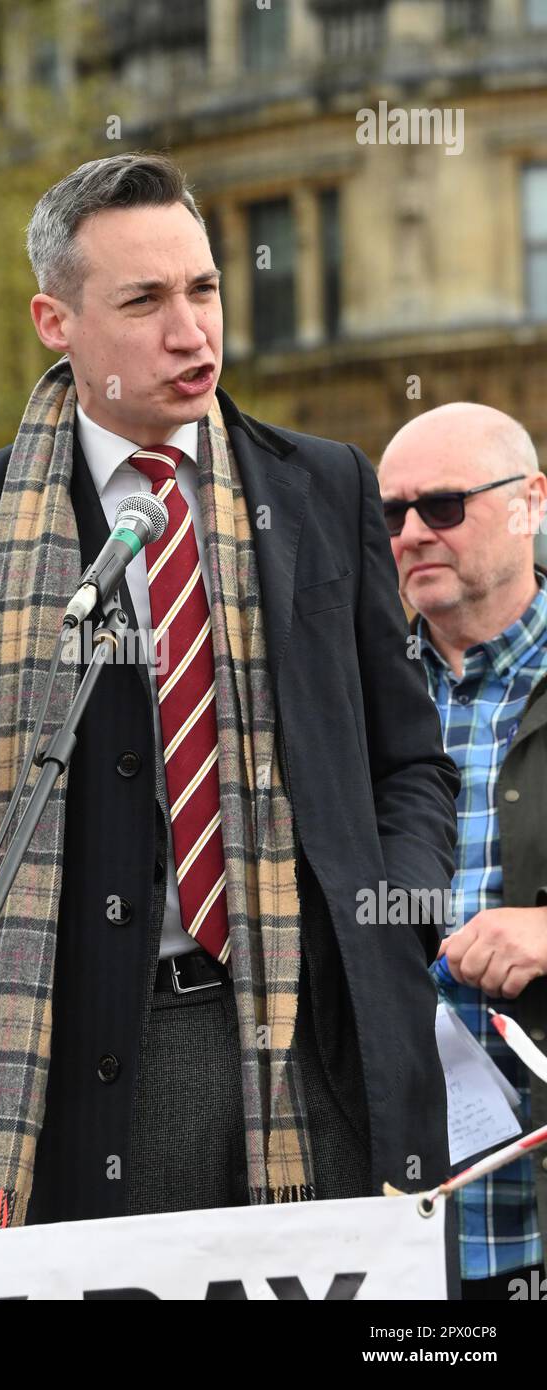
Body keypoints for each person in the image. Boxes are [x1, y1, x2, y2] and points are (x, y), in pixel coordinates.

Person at [0, 152, 460, 1234]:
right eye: (145, 301)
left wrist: (393, 924)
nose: (192, 332)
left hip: (328, 1038)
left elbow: (407, 757)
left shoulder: (321, 486)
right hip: (107, 1065)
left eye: (205, 289)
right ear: (56, 320)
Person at [379, 402, 547, 1300]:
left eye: (443, 506)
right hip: (396, 1224)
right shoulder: (346, 691)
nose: (410, 533)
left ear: (531, 503)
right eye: (390, 514)